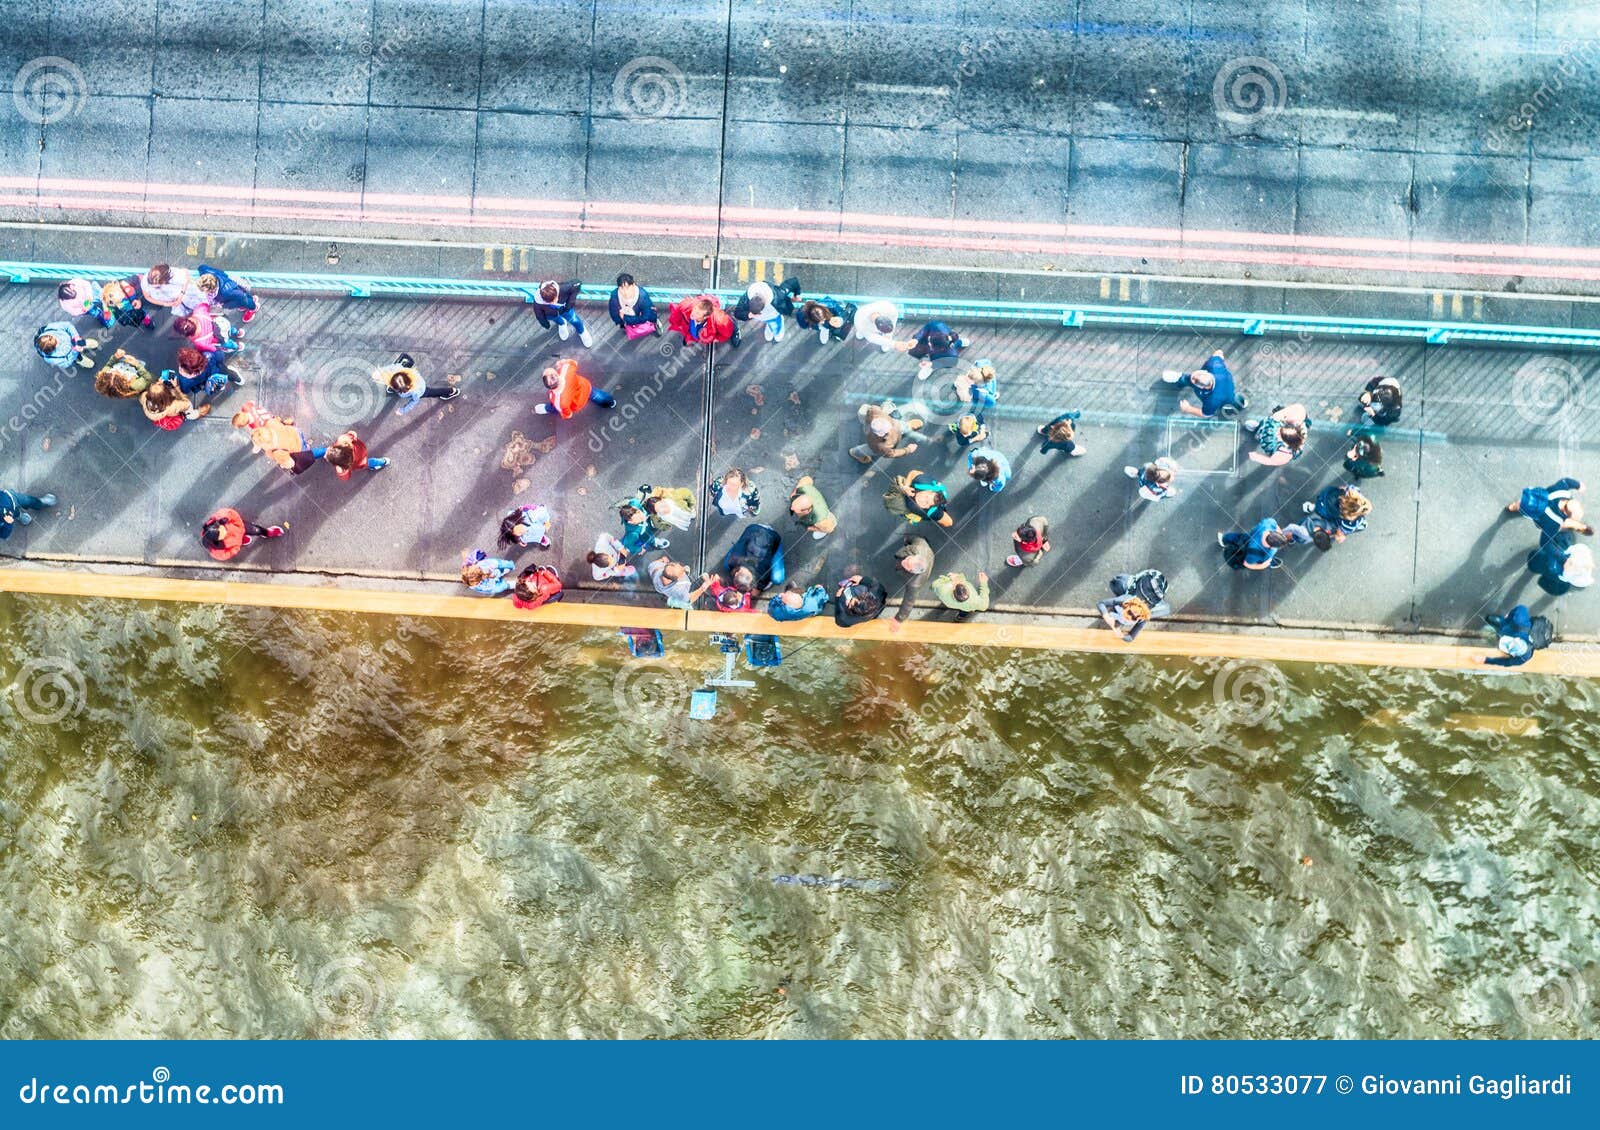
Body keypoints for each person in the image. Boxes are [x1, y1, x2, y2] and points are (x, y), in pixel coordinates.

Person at [1163, 351, 1246, 419]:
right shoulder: (1214, 365)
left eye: (1195, 381)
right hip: (1224, 387)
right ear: (1206, 372)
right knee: (1188, 379)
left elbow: (1205, 414)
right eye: (1196, 374)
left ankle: (1238, 404)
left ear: (1205, 387)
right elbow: (1218, 353)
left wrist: (1188, 409)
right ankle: (1179, 378)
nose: (1193, 378)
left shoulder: (1212, 401)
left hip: (1227, 398)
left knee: (1230, 403)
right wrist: (1219, 355)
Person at [1507, 477, 1591, 542]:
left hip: (1537, 496)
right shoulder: (1555, 524)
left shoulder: (1561, 491)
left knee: (1524, 503)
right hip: (1538, 516)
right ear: (1566, 514)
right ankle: (1517, 507)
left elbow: (1566, 481)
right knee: (1529, 513)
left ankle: (1514, 506)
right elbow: (1544, 542)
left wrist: (1578, 485)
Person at [238, 412, 322, 475]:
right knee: (301, 441)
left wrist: (284, 464)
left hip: (298, 449)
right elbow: (278, 421)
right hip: (295, 432)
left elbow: (290, 464)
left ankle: (323, 451)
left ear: (265, 444)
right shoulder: (269, 423)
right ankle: (309, 446)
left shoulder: (277, 452)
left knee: (308, 454)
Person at [850, 401, 933, 464]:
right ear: (883, 435)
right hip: (879, 443)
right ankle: (855, 452)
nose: (889, 428)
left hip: (891, 424)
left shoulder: (875, 413)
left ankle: (907, 426)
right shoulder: (881, 446)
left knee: (897, 424)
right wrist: (908, 450)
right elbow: (891, 454)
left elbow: (878, 411)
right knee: (868, 449)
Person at [374, 355, 460, 412]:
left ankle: (452, 391)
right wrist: (380, 372)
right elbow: (392, 367)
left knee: (433, 392)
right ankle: (451, 391)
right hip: (412, 380)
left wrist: (403, 410)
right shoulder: (400, 371)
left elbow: (413, 402)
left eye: (400, 390)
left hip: (422, 389)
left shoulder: (416, 392)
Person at [1476, 604, 1553, 667]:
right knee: (1503, 627)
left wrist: (1486, 660)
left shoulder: (1525, 657)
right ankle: (1502, 622)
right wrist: (1509, 616)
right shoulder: (1520, 622)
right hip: (1511, 628)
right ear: (1517, 638)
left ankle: (1501, 629)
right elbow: (1522, 608)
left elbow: (1507, 662)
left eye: (1509, 649)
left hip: (1515, 633)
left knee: (1495, 636)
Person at [535, 358, 614, 417]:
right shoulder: (566, 369)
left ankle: (546, 408)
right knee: (597, 395)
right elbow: (574, 363)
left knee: (555, 407)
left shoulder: (558, 401)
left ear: (550, 388)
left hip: (577, 404)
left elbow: (568, 415)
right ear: (557, 373)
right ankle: (611, 402)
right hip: (585, 388)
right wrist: (563, 362)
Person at [200, 508, 284, 561]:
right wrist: (238, 545)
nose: (224, 529)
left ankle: (267, 533)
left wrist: (226, 517)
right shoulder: (217, 552)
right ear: (218, 542)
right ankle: (242, 540)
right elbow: (229, 553)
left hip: (240, 527)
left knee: (257, 529)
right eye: (223, 533)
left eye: (222, 528)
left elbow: (230, 513)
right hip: (237, 541)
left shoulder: (218, 520)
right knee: (244, 537)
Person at [732, 277, 800, 343]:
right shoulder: (748, 296)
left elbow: (794, 281)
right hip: (769, 316)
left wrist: (796, 295)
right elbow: (737, 313)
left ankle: (777, 331)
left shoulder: (778, 296)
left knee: (777, 325)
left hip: (775, 316)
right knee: (771, 324)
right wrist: (749, 315)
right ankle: (773, 329)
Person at [720, 524, 785, 591]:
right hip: (753, 528)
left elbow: (762, 585)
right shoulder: (733, 561)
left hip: (773, 536)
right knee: (726, 564)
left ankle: (778, 545)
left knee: (777, 579)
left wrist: (759, 589)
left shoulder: (763, 575)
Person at [530, 279, 592, 346]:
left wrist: (569, 304)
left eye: (555, 299)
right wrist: (544, 323)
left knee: (574, 320)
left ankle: (582, 331)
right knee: (558, 320)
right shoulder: (538, 303)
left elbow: (577, 284)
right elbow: (539, 314)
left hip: (565, 309)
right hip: (551, 314)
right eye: (550, 302)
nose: (554, 302)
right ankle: (562, 324)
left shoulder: (563, 288)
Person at [1301, 483, 1372, 543]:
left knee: (1319, 506)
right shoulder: (1349, 524)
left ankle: (1311, 507)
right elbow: (1340, 531)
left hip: (1326, 496)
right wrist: (1340, 537)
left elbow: (1343, 487)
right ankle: (1312, 507)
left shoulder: (1353, 490)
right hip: (1328, 513)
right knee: (1331, 524)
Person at [1244, 404, 1310, 466]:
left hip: (1274, 446)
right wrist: (1281, 414)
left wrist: (1257, 457)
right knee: (1270, 424)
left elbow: (1271, 461)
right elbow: (1298, 408)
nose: (1277, 432)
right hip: (1288, 426)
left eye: (1280, 435)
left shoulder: (1285, 453)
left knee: (1268, 433)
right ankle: (1259, 427)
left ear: (1286, 443)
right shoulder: (1300, 425)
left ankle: (1259, 433)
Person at [1527, 533, 1595, 594]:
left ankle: (1535, 566)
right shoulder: (1564, 580)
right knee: (1535, 563)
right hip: (1542, 562)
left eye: (1570, 564)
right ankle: (1536, 569)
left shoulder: (1564, 548)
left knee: (1534, 562)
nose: (1568, 561)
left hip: (1541, 563)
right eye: (1571, 560)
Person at [193, 264, 260, 322]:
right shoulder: (209, 274)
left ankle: (253, 308)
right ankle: (251, 299)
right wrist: (200, 269)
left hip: (237, 296)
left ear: (211, 289)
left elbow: (241, 295)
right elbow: (203, 267)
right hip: (234, 288)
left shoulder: (225, 292)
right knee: (244, 295)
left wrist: (225, 305)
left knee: (245, 300)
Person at [1219, 518, 1293, 571]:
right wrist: (1263, 566)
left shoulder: (1269, 523)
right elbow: (1247, 564)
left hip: (1249, 537)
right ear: (1271, 546)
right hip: (1250, 550)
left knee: (1238, 537)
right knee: (1265, 560)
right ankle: (1270, 563)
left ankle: (1223, 538)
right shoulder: (1257, 554)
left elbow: (1276, 526)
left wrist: (1280, 534)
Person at [888, 469, 953, 528]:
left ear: (928, 507)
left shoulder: (933, 512)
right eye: (926, 496)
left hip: (929, 510)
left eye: (926, 502)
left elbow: (949, 523)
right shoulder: (923, 482)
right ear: (928, 491)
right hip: (933, 487)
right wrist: (906, 486)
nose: (922, 499)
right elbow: (913, 473)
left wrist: (929, 517)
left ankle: (941, 506)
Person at [141, 377, 208, 430]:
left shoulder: (144, 397)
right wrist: (176, 387)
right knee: (189, 413)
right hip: (172, 417)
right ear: (166, 394)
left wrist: (159, 385)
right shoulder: (173, 406)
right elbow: (187, 404)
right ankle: (197, 414)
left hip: (157, 417)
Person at [893, 536, 935, 621]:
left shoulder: (914, 583)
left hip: (928, 558)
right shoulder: (920, 546)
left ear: (912, 572)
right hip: (927, 554)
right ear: (915, 556)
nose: (903, 562)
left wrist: (898, 620)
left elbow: (909, 602)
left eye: (907, 566)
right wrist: (908, 538)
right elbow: (916, 538)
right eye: (908, 560)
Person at [170, 345, 238, 398]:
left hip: (204, 384)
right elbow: (220, 356)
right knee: (228, 373)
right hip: (218, 371)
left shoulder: (185, 381)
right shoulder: (208, 355)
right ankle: (237, 379)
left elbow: (185, 390)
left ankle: (219, 387)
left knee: (209, 386)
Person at [667, 294, 735, 345]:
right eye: (695, 309)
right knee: (693, 335)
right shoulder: (686, 305)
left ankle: (695, 338)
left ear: (706, 317)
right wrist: (679, 325)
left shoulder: (721, 321)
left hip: (704, 335)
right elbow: (675, 316)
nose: (693, 313)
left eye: (698, 313)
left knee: (697, 336)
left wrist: (716, 339)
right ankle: (692, 338)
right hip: (692, 331)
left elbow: (727, 334)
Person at [648, 556, 713, 609]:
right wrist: (702, 588)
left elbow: (651, 565)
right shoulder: (678, 590)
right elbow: (688, 600)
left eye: (678, 565)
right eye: (682, 573)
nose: (683, 568)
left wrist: (661, 559)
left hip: (659, 586)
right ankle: (700, 581)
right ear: (675, 580)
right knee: (692, 587)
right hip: (685, 588)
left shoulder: (656, 568)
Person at [607, 273, 659, 337]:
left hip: (634, 320)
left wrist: (625, 318)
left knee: (652, 322)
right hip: (630, 321)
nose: (625, 292)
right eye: (622, 288)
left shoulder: (642, 296)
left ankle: (654, 327)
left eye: (627, 288)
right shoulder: (614, 297)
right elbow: (614, 315)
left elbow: (645, 317)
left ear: (633, 285)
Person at [323, 430, 389, 479]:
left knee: (367, 462)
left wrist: (339, 469)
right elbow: (353, 433)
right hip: (360, 450)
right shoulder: (343, 439)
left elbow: (345, 477)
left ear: (338, 464)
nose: (325, 455)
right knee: (367, 461)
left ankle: (383, 462)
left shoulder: (342, 468)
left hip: (359, 462)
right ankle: (383, 461)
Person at [173, 308, 240, 355]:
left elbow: (212, 349)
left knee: (226, 343)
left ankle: (236, 346)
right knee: (231, 328)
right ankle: (237, 332)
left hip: (221, 337)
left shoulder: (199, 342)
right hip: (223, 323)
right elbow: (205, 304)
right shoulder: (199, 312)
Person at [34, 322, 99, 370]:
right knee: (77, 356)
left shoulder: (50, 329)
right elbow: (67, 363)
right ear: (53, 349)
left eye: (52, 337)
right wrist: (74, 351)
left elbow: (67, 325)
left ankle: (84, 344)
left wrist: (75, 336)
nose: (58, 340)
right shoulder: (52, 358)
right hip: (72, 353)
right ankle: (79, 359)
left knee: (81, 343)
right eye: (57, 343)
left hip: (75, 340)